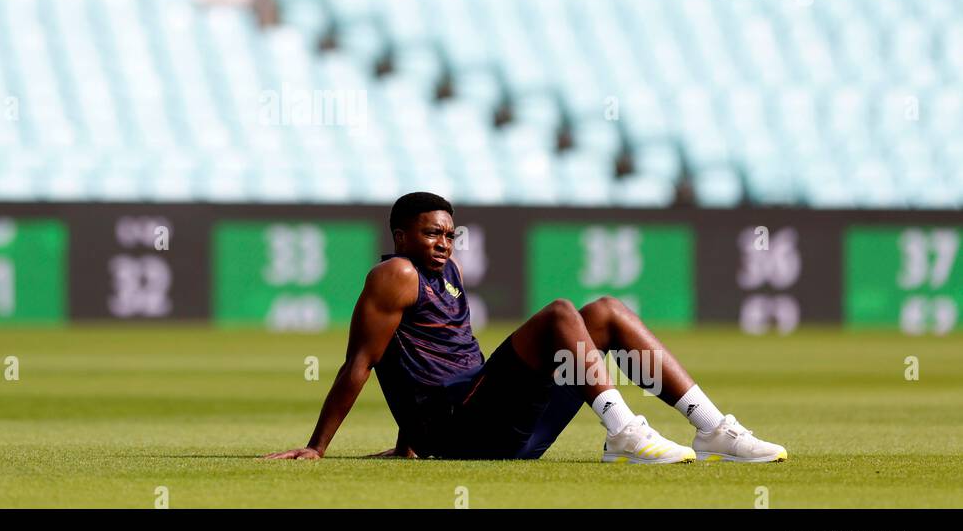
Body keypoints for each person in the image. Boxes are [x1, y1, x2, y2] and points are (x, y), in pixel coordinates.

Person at [263, 192, 788, 463]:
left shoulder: (449, 272)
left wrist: (406, 446)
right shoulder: (394, 275)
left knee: (603, 311)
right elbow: (363, 363)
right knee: (561, 313)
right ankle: (625, 433)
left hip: (503, 430)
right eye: (430, 233)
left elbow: (427, 354)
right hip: (460, 430)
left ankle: (712, 428)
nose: (443, 243)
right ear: (401, 236)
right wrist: (318, 447)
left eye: (449, 233)